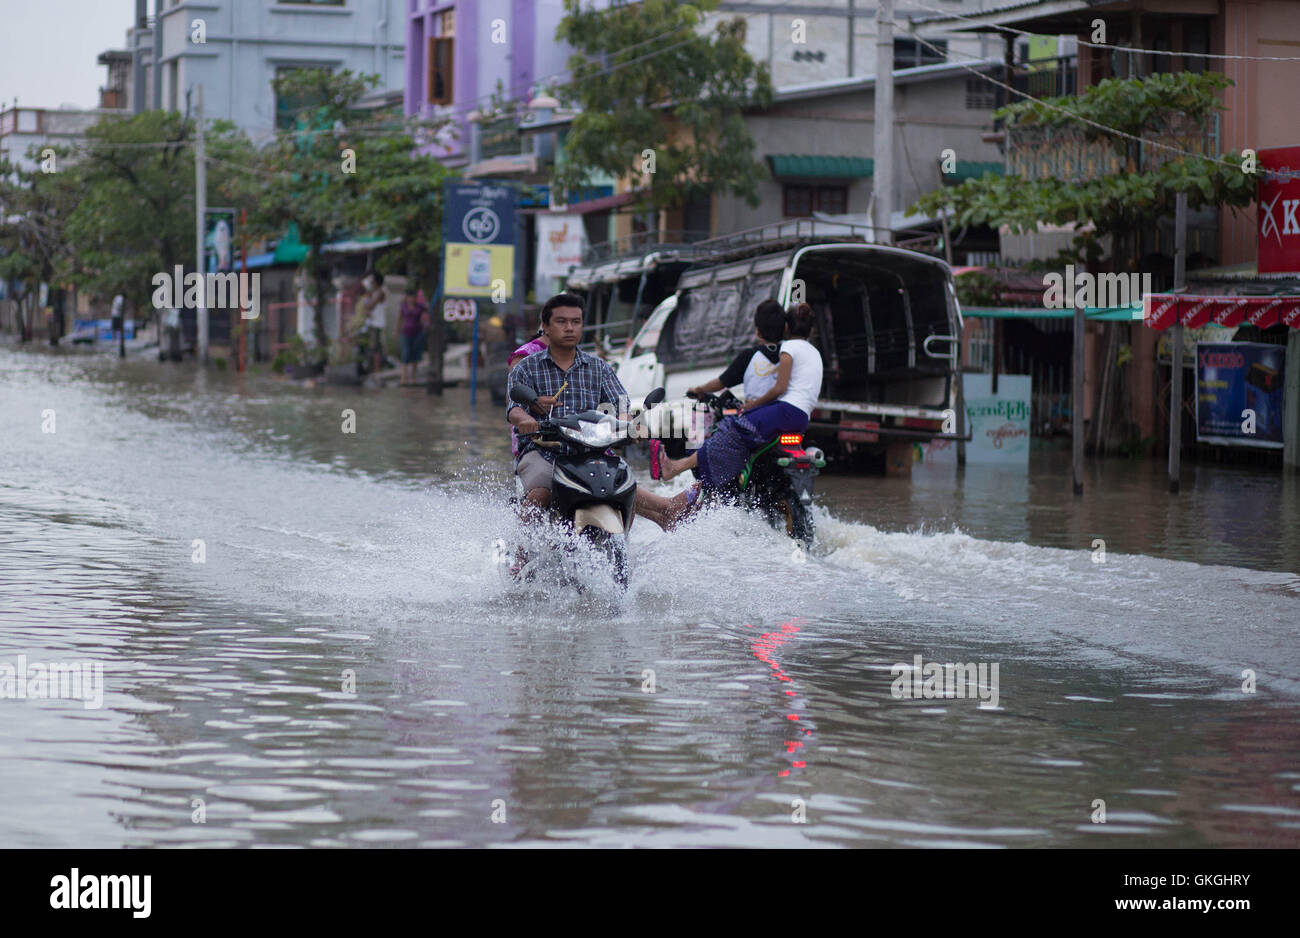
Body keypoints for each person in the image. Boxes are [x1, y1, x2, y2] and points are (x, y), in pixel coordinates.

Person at [506, 292, 679, 530]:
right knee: (540, 493)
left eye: (575, 322)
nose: (569, 328)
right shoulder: (526, 367)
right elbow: (514, 409)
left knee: (620, 483)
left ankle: (648, 524)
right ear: (545, 326)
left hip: (591, 450)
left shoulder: (598, 367)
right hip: (543, 450)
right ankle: (521, 555)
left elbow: (620, 405)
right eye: (561, 321)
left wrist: (627, 425)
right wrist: (528, 421)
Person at [657, 303, 823, 516]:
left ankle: (676, 468)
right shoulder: (812, 352)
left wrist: (750, 405)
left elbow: (778, 387)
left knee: (730, 430)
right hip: (799, 420)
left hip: (782, 412)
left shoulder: (786, 350)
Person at [648, 299, 785, 479]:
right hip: (786, 419)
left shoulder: (751, 356)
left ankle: (675, 468)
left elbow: (721, 382)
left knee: (716, 444)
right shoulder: (790, 354)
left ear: (757, 329)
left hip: (756, 420)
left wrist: (699, 389)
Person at [397, 284, 429, 386]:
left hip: (417, 333)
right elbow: (400, 318)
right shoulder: (404, 306)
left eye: (413, 297)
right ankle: (403, 377)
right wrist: (396, 330)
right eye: (409, 297)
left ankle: (412, 378)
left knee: (415, 354)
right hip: (406, 333)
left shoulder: (420, 307)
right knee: (406, 354)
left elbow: (428, 310)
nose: (411, 299)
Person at [359, 272, 387, 374]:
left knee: (376, 348)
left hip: (377, 324)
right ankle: (373, 368)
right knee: (372, 347)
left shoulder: (380, 292)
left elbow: (370, 305)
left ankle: (377, 370)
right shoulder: (373, 292)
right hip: (372, 323)